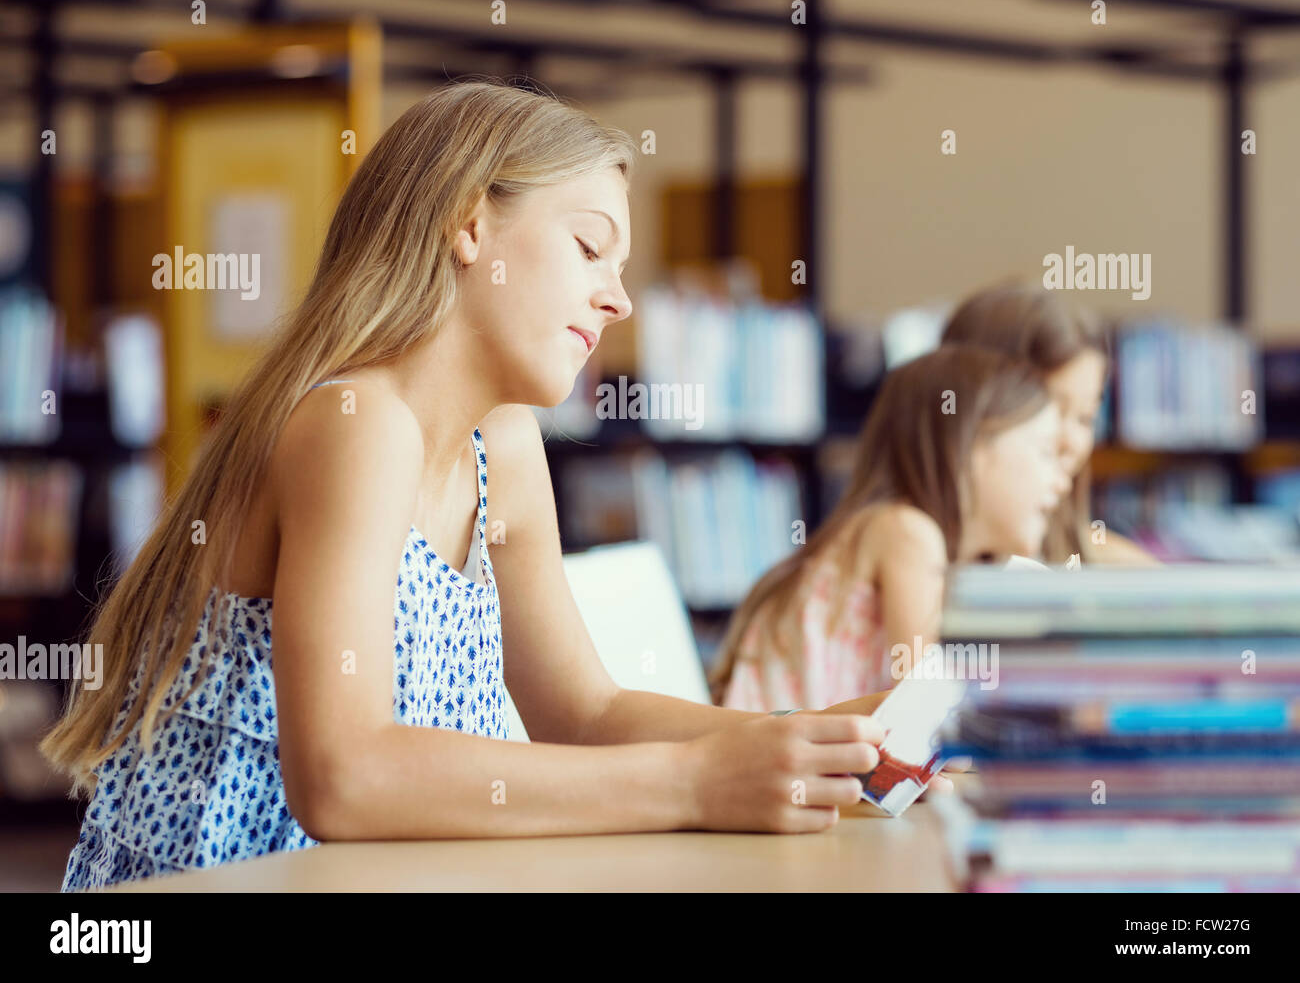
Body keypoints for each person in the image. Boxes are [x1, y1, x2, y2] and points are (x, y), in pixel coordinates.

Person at [44, 80, 896, 890]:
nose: (619, 301)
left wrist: (810, 743)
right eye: (590, 247)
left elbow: (585, 713)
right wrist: (696, 781)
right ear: (469, 225)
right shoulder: (358, 426)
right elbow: (345, 778)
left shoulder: (505, 446)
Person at [712, 344, 1071, 712]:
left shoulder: (908, 540)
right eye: (1045, 451)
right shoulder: (905, 531)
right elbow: (931, 710)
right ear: (966, 448)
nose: (1062, 482)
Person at [940, 282, 1159, 565]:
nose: (1071, 443)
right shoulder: (910, 551)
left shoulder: (1112, 565)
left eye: (1085, 418)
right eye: (1050, 411)